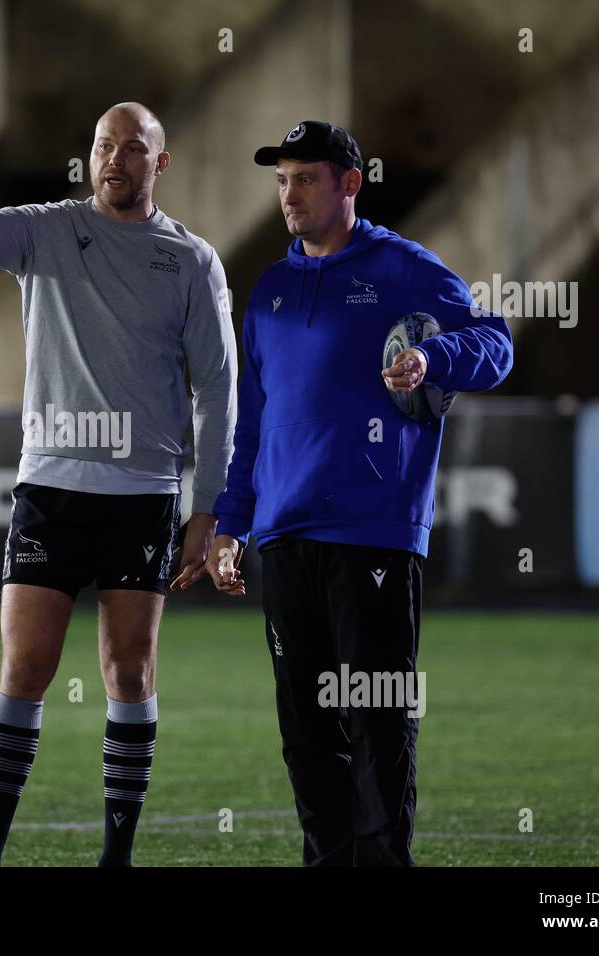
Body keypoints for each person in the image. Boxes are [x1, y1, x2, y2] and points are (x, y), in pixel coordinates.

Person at [0, 102, 237, 866]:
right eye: (101, 146)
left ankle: (115, 857)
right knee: (25, 668)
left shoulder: (190, 261)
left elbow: (217, 389)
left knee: (129, 670)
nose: (113, 159)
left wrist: (207, 509)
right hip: (50, 491)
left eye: (131, 149)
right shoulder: (49, 230)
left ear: (161, 164)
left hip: (145, 494)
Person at [205, 120, 513, 866]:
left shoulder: (404, 269)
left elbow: (495, 345)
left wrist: (433, 355)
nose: (289, 194)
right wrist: (229, 525)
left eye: (305, 178)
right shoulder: (271, 290)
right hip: (282, 542)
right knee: (306, 737)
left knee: (376, 724)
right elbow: (253, 427)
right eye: (281, 180)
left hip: (372, 535)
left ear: (350, 183)